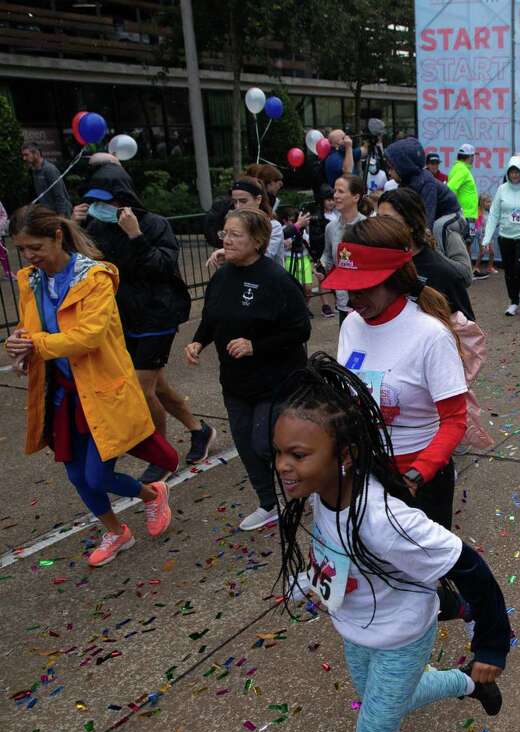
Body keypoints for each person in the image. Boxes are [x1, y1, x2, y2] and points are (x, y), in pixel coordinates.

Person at [273, 353, 511, 732]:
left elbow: (471, 567)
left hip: (402, 637)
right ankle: (467, 684)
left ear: (344, 456)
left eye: (298, 456)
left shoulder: (385, 521)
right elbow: (335, 553)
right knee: (386, 701)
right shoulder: (321, 493)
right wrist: (307, 583)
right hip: (355, 629)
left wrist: (492, 646)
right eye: (280, 452)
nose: (283, 466)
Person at [6, 205, 173, 567]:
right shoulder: (29, 280)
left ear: (57, 236)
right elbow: (29, 327)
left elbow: (89, 337)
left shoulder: (94, 277)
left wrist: (36, 344)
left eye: (35, 246)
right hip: (62, 392)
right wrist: (19, 344)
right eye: (22, 249)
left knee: (98, 476)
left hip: (101, 391)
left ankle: (150, 494)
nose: (29, 255)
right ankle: (116, 531)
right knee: (77, 475)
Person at [321, 217, 468, 530]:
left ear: (392, 277)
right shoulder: (351, 325)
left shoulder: (430, 334)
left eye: (362, 288)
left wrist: (415, 476)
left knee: (418, 574)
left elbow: (455, 421)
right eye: (347, 288)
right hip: (366, 471)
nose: (352, 299)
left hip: (419, 479)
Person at [74, 164, 214, 480]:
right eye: (95, 202)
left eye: (106, 201)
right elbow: (81, 266)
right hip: (123, 317)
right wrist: (74, 228)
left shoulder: (154, 224)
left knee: (139, 388)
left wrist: (135, 235)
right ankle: (199, 429)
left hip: (157, 314)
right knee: (156, 386)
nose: (100, 208)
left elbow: (163, 266)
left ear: (124, 199)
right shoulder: (96, 228)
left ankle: (161, 455)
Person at [186, 209, 310, 531]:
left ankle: (300, 491)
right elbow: (211, 318)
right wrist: (198, 343)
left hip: (276, 380)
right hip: (235, 382)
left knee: (263, 442)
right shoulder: (222, 276)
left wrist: (256, 345)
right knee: (245, 444)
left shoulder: (277, 279)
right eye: (224, 233)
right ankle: (269, 503)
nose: (225, 240)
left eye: (235, 235)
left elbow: (300, 330)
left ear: (257, 241)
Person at [375, 188, 474, 319]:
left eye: (387, 220)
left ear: (411, 224)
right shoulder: (376, 262)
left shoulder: (442, 273)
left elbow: (466, 330)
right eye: (377, 219)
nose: (379, 226)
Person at [481, 157, 520, 316]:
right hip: (505, 236)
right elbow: (494, 214)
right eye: (512, 172)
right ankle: (513, 301)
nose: (514, 175)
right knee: (509, 270)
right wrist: (486, 238)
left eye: (517, 171)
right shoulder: (502, 189)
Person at [383, 138, 463, 242]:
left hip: (453, 215)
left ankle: (439, 255)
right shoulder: (405, 182)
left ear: (404, 166)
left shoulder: (427, 182)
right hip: (437, 215)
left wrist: (424, 232)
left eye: (391, 168)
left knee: (438, 227)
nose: (389, 172)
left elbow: (427, 214)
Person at [318, 175, 367, 323]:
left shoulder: (368, 226)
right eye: (335, 191)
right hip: (342, 299)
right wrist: (321, 267)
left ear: (356, 197)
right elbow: (327, 256)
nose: (335, 196)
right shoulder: (331, 227)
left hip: (367, 300)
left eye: (341, 191)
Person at [446, 145, 480, 271]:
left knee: (464, 243)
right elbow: (450, 188)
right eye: (473, 157)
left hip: (466, 214)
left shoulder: (458, 168)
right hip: (466, 215)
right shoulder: (462, 170)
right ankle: (464, 271)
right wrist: (457, 208)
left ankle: (466, 270)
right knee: (466, 244)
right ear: (470, 157)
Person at [21, 143, 71, 217]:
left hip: (58, 214)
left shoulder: (49, 169)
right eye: (23, 155)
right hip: (47, 214)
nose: (24, 158)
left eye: (26, 155)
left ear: (36, 153)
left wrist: (61, 218)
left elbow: (60, 196)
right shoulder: (33, 171)